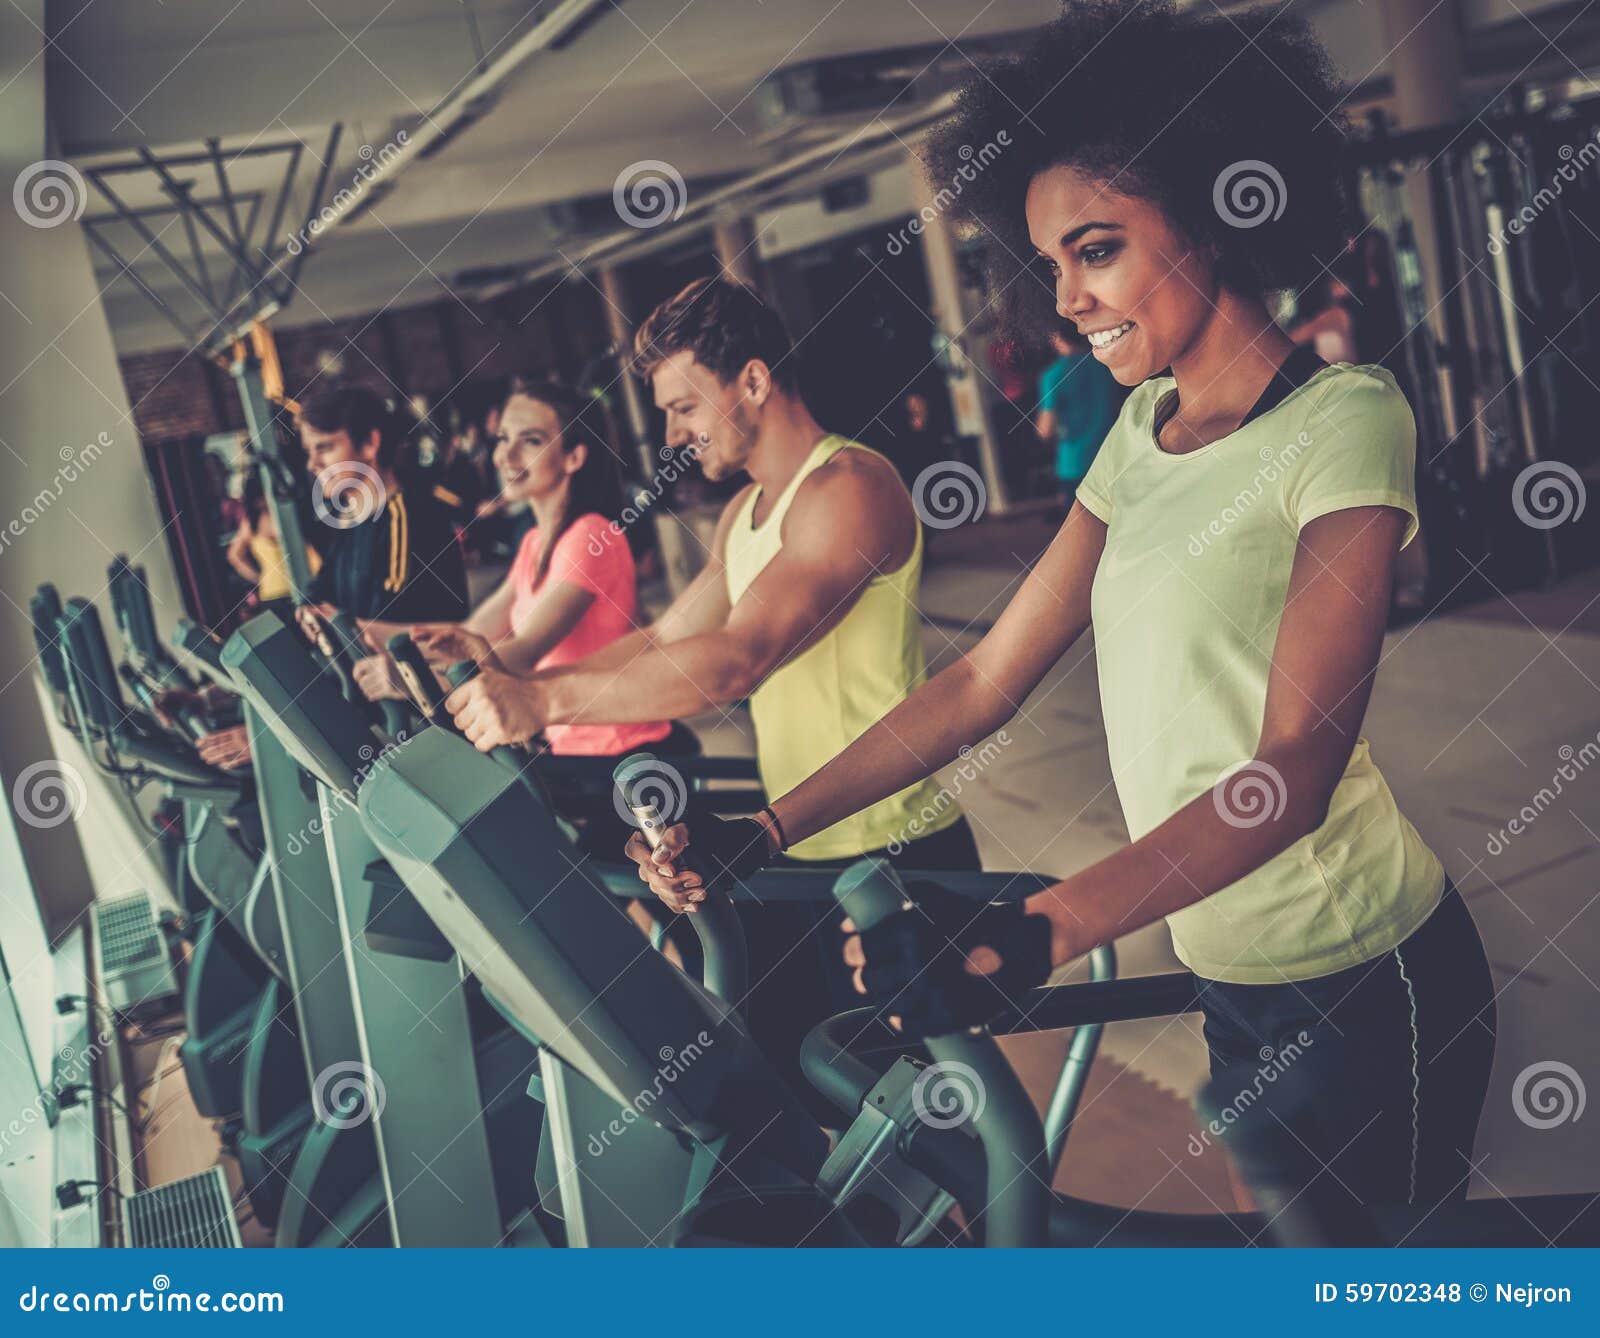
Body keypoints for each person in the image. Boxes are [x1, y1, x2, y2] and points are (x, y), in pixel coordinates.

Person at [628, 0, 1495, 1216]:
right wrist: (765, 831)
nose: (1066, 299)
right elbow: (983, 682)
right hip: (1229, 974)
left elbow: (1292, 768)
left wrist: (1041, 933)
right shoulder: (1138, 435)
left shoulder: (1340, 421)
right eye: (1049, 265)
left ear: (1212, 209)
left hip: (1363, 975)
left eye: (1096, 249)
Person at [435, 275, 983, 1075]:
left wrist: (544, 698)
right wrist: (514, 673)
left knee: (928, 1125)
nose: (670, 435)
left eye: (684, 408)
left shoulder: (851, 488)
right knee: (804, 1099)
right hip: (802, 843)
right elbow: (663, 638)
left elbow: (740, 658)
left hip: (894, 850)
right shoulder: (745, 512)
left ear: (754, 380)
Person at [353, 379, 675, 759]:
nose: (505, 456)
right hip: (568, 746)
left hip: (620, 753)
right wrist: (362, 629)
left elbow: (521, 656)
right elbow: (473, 634)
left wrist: (413, 679)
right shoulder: (535, 542)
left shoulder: (592, 536)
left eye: (531, 441)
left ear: (573, 457)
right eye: (504, 438)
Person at [295, 384, 470, 628]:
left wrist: (332, 620)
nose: (313, 463)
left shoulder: (411, 518)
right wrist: (308, 610)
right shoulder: (353, 522)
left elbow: (386, 619)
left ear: (369, 443)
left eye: (325, 447)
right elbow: (319, 590)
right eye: (309, 452)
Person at [1034, 326, 1122, 510]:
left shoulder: (1053, 375)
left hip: (1075, 463)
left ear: (1055, 336)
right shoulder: (1107, 363)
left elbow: (1045, 430)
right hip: (1114, 458)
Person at [225, 475, 320, 624]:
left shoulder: (251, 523)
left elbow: (234, 556)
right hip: (298, 589)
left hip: (271, 593)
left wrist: (260, 578)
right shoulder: (286, 515)